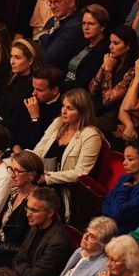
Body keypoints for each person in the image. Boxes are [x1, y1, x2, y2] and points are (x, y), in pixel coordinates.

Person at [32, 88, 102, 221]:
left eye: (70, 108)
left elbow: (81, 173)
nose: (64, 111)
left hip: (63, 191)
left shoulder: (90, 135)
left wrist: (47, 178)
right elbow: (39, 149)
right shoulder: (58, 123)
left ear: (82, 111)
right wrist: (30, 167)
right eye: (63, 106)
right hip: (40, 180)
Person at [0, 150, 44, 271]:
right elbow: (0, 226)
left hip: (11, 261)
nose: (12, 175)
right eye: (11, 169)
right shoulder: (13, 193)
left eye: (17, 171)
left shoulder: (35, 204)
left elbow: (23, 249)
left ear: (31, 175)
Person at [12, 187, 73, 276]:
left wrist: (21, 266)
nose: (28, 214)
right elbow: (16, 258)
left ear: (50, 213)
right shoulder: (36, 225)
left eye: (34, 210)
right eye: (27, 208)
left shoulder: (58, 241)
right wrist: (23, 267)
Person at [0, 39, 44, 127]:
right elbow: (1, 106)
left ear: (30, 61)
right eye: (11, 56)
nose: (12, 62)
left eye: (17, 58)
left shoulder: (33, 86)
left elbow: (19, 124)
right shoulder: (12, 78)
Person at [89, 26, 138, 135]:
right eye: (110, 42)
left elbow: (108, 100)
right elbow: (92, 90)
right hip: (99, 109)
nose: (110, 47)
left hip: (114, 117)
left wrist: (108, 71)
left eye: (116, 43)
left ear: (128, 46)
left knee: (82, 120)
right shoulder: (113, 62)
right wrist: (103, 67)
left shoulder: (133, 70)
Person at [102, 140, 139, 234]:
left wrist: (124, 189)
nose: (124, 163)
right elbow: (106, 204)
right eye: (124, 158)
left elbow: (120, 213)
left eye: (130, 159)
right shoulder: (125, 177)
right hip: (108, 228)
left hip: (125, 237)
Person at [7, 66, 63, 152]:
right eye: (34, 88)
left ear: (54, 90)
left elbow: (38, 143)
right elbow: (11, 127)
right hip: (13, 150)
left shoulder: (61, 111)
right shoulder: (29, 97)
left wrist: (35, 117)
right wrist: (15, 147)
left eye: (39, 90)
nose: (34, 93)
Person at [63, 4, 109, 92]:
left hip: (78, 95)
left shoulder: (103, 49)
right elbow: (65, 68)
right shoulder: (83, 43)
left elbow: (83, 82)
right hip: (65, 88)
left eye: (91, 24)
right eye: (84, 23)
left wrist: (57, 88)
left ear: (102, 27)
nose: (86, 28)